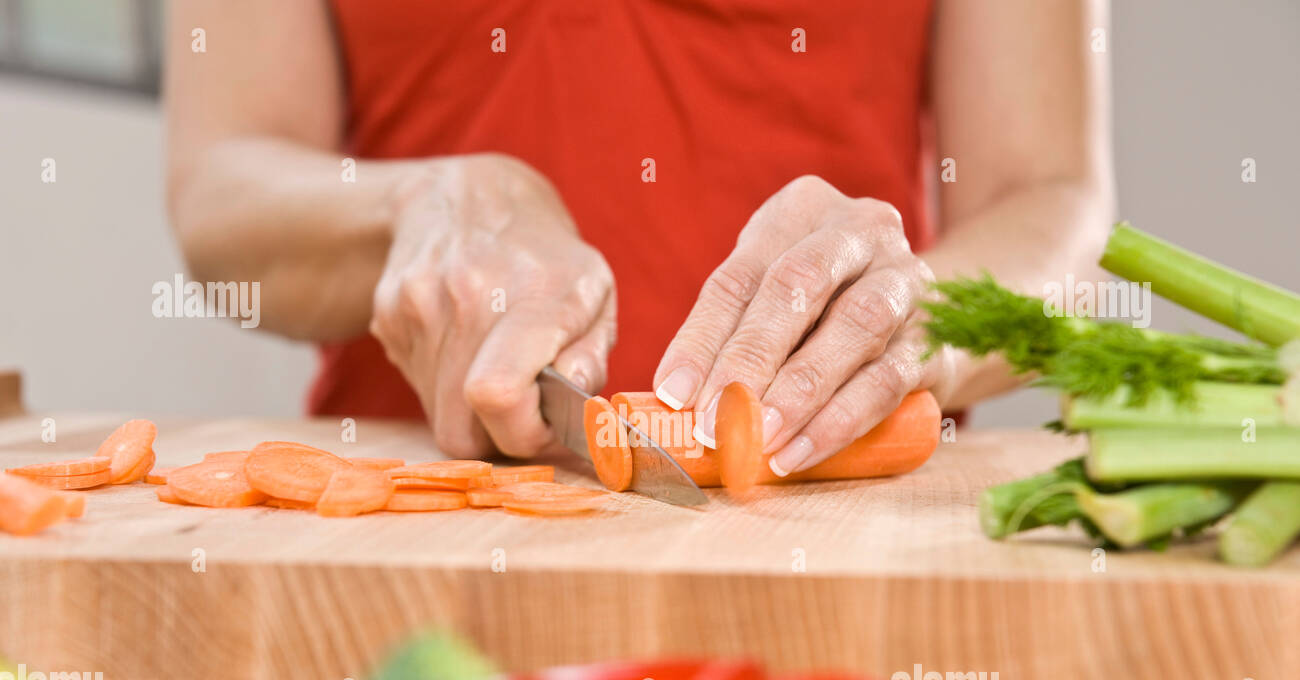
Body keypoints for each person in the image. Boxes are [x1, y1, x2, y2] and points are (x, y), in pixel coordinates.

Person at [165, 0, 1112, 476]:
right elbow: (220, 185)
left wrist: (912, 322)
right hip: (429, 526)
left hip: (830, 525)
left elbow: (1050, 198)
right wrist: (419, 202)